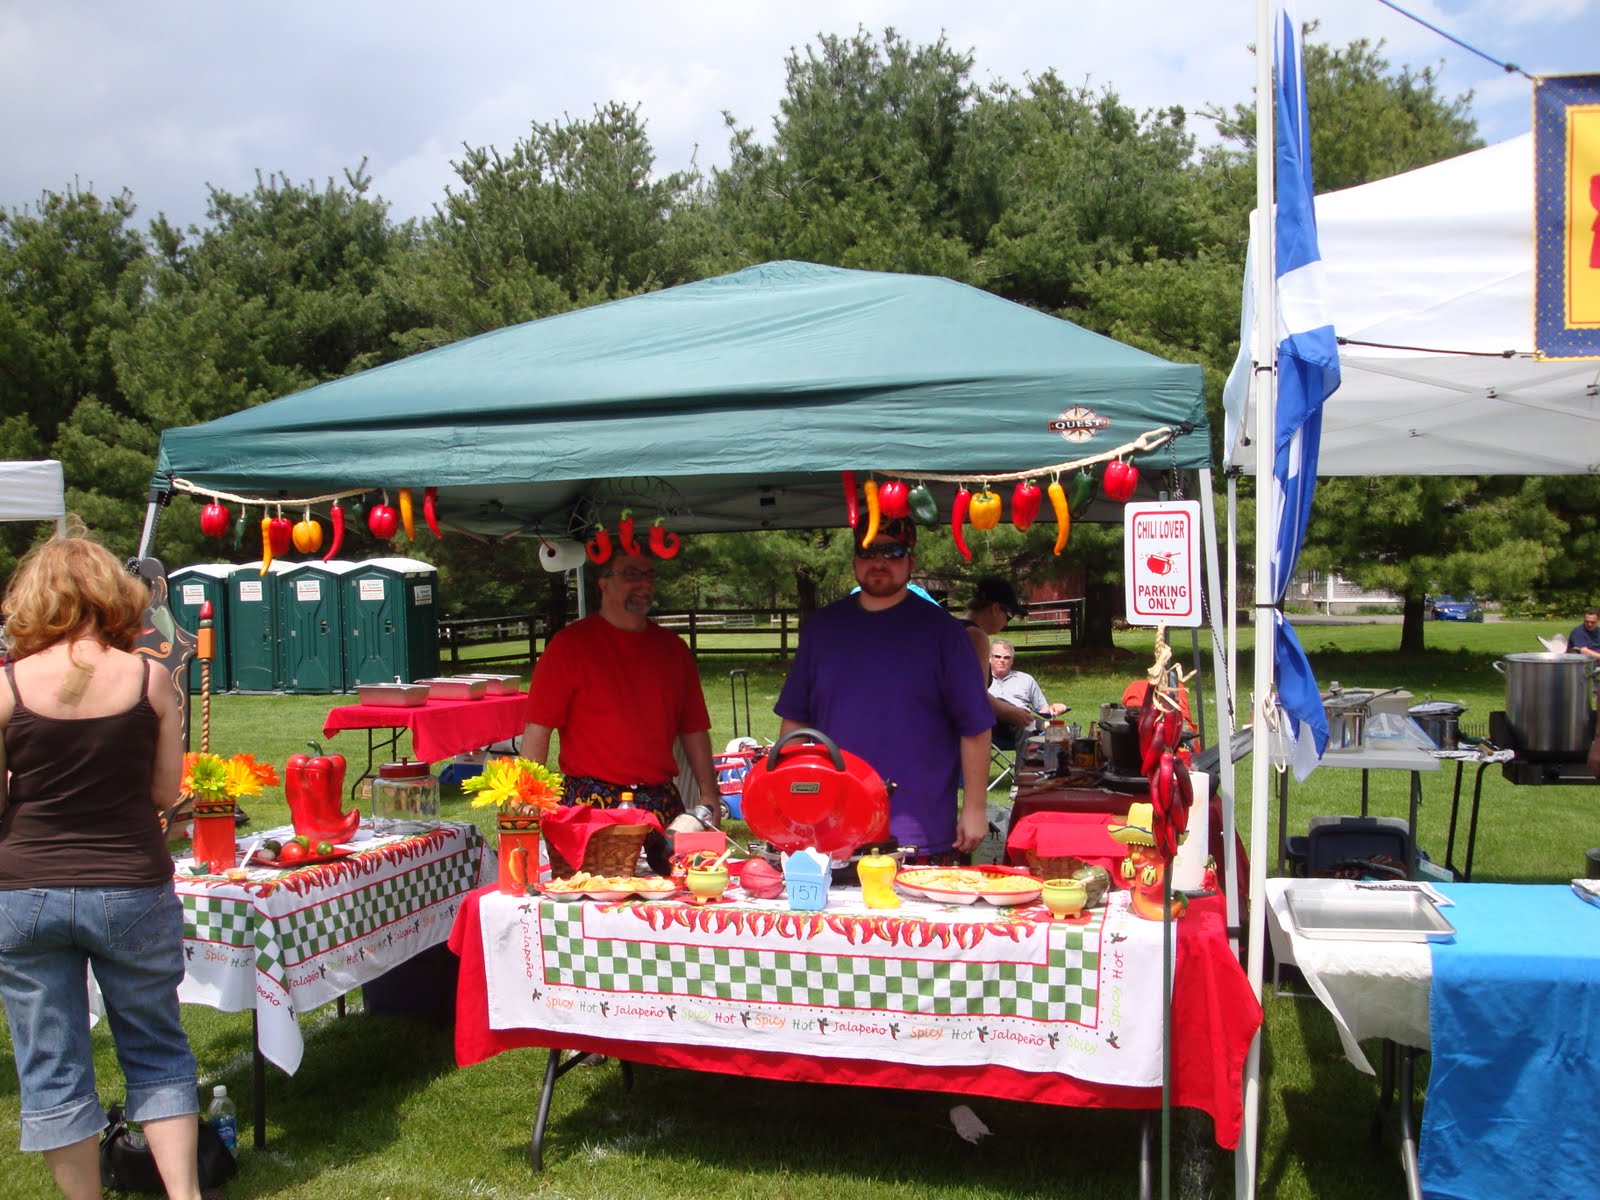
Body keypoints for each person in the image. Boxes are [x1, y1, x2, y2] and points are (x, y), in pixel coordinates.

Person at [0, 536, 201, 1200]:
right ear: (116, 598)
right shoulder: (150, 679)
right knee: (156, 1045)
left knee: (51, 1065)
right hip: (130, 883)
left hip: (26, 890)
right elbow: (165, 793)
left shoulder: (6, 684)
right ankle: (185, 1195)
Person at [775, 519, 994, 859]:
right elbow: (795, 723)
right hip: (830, 824)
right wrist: (789, 800)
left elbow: (975, 726)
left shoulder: (944, 633)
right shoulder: (822, 628)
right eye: (867, 551)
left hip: (918, 828)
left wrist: (975, 808)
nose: (879, 562)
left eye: (892, 551)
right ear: (854, 560)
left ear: (911, 561)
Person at [521, 549, 721, 845]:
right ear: (603, 583)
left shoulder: (673, 650)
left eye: (649, 575)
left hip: (661, 803)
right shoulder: (569, 646)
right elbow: (538, 728)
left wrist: (709, 793)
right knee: (595, 890)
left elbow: (694, 728)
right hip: (590, 806)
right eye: (631, 575)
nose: (644, 584)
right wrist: (529, 797)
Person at [961, 576, 1033, 735]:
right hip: (961, 728)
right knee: (1029, 726)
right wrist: (1012, 712)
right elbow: (976, 696)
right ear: (994, 608)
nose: (1007, 623)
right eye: (1009, 615)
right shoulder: (975, 635)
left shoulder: (954, 626)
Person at [987, 638, 1068, 749]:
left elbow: (1044, 710)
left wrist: (1055, 707)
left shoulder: (1025, 679)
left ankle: (1023, 766)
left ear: (1012, 661)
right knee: (994, 701)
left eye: (1006, 657)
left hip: (1022, 728)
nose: (1002, 660)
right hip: (993, 731)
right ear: (990, 659)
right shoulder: (981, 680)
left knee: (1025, 726)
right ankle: (1040, 724)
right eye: (997, 656)